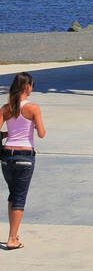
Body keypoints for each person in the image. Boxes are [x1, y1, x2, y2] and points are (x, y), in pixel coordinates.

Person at [1, 73, 45, 249]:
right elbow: (41, 133)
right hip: (24, 156)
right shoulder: (33, 108)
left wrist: (8, 133)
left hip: (6, 157)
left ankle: (13, 233)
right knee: (19, 198)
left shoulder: (5, 108)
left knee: (13, 195)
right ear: (27, 87)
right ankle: (12, 239)